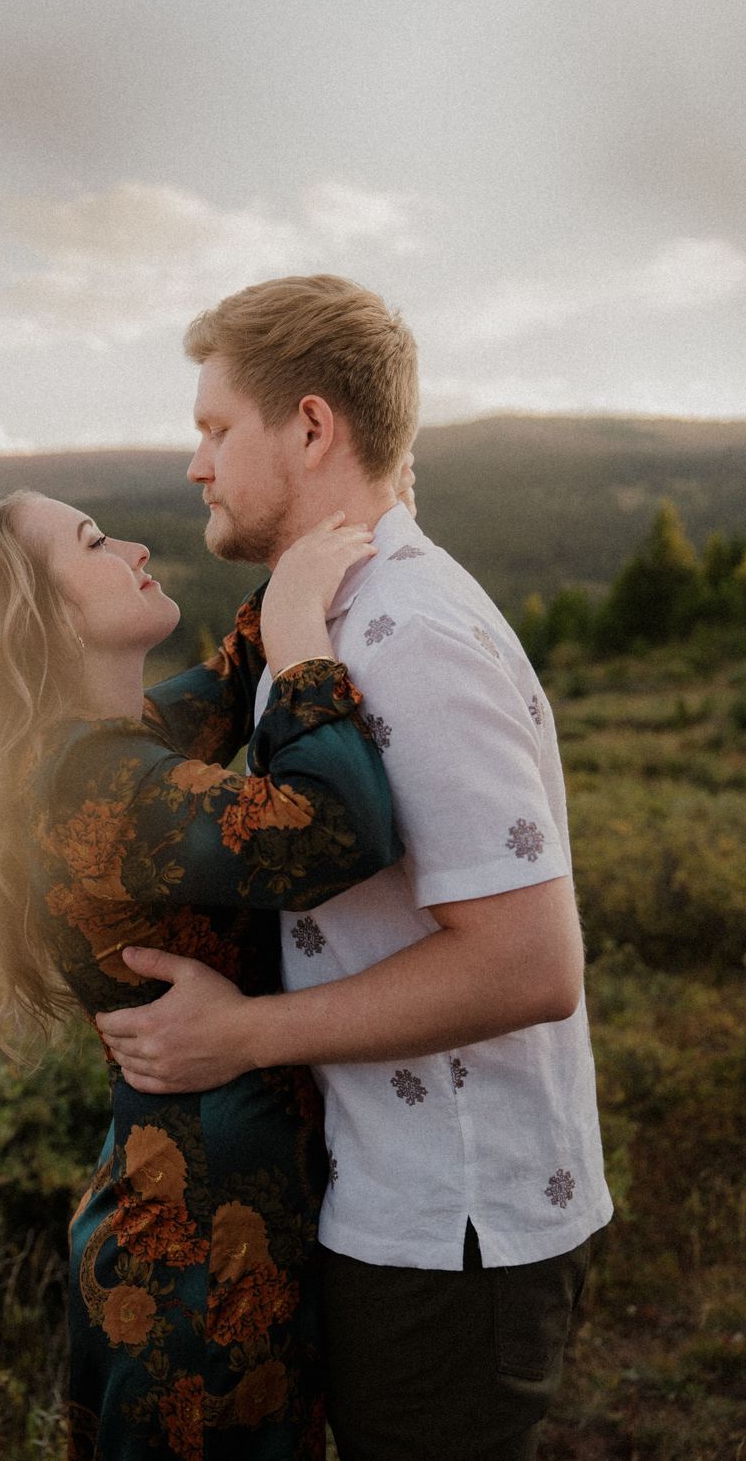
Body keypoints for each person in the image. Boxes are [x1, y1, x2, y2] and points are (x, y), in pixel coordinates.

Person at [97, 274, 614, 1461]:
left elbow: (532, 967)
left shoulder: (405, 635)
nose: (196, 465)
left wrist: (239, 1037)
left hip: (456, 1233)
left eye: (216, 429)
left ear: (313, 426)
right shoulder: (333, 616)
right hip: (400, 1207)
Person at [0, 490, 402, 1461]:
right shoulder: (91, 785)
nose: (131, 543)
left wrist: (345, 503)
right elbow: (342, 825)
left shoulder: (86, 748)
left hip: (192, 1224)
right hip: (201, 1267)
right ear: (37, 618)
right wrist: (304, 623)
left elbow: (230, 676)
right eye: (94, 542)